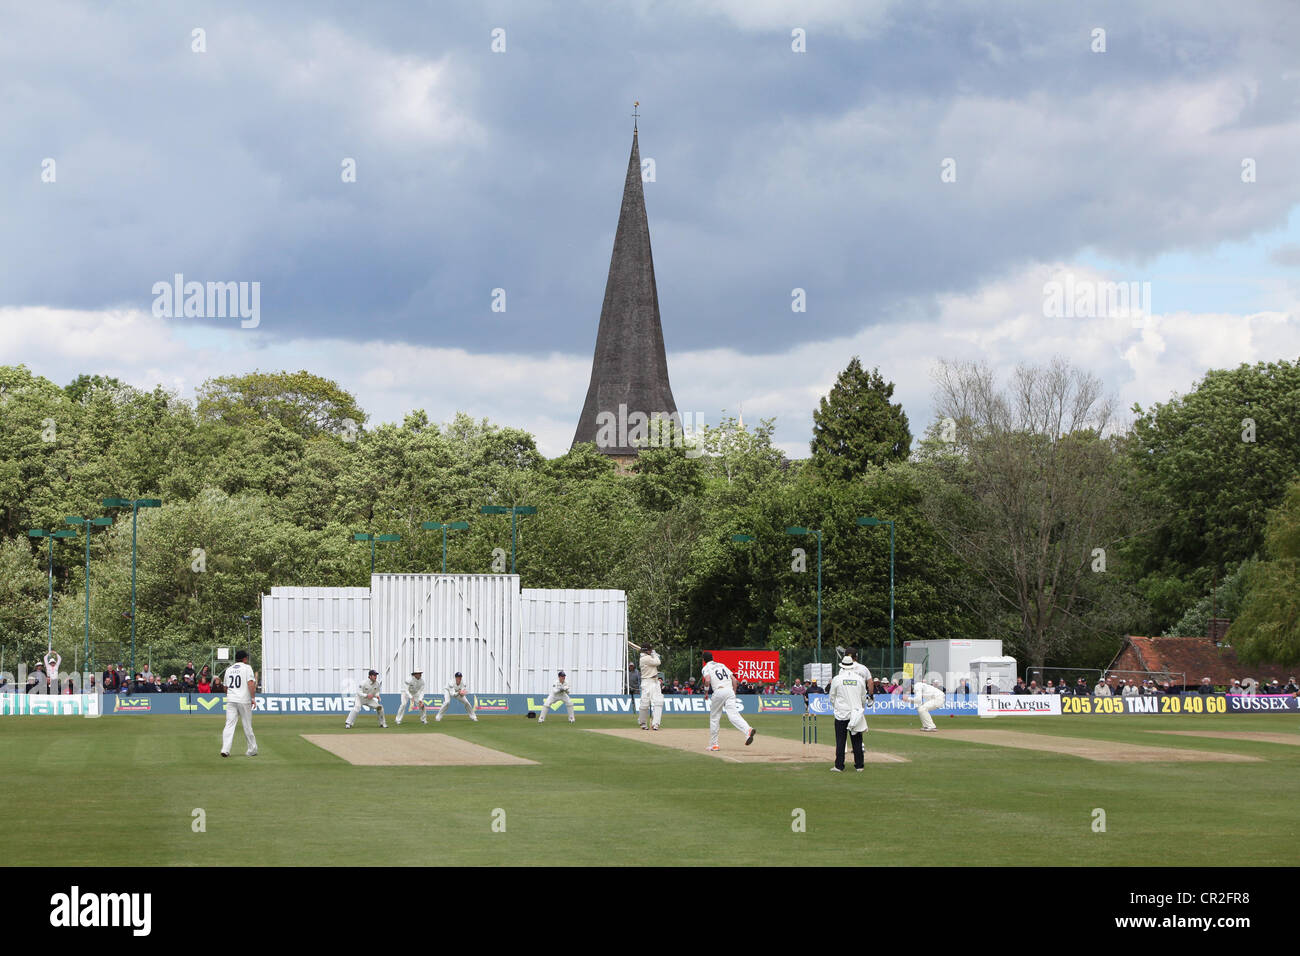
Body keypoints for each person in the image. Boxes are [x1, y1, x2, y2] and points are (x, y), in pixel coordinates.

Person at [701, 652, 755, 751]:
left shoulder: (706, 668)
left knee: (714, 718)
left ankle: (714, 745)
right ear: (713, 658)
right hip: (729, 691)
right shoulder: (722, 665)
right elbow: (734, 680)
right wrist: (733, 693)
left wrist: (706, 693)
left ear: (704, 660)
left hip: (719, 691)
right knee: (733, 715)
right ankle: (748, 730)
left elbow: (707, 680)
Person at [827, 655, 869, 772]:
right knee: (857, 741)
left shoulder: (837, 679)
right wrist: (860, 709)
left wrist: (837, 707)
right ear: (852, 666)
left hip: (841, 713)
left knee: (840, 740)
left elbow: (832, 697)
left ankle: (839, 766)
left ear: (842, 666)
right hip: (855, 713)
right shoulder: (859, 679)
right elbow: (863, 697)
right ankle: (859, 765)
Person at [219, 650, 258, 758]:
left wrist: (231, 695)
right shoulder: (247, 668)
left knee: (229, 725)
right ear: (245, 658)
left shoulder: (229, 669)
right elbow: (250, 683)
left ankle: (225, 749)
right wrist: (253, 698)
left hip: (231, 700)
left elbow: (225, 687)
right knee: (247, 725)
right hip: (243, 700)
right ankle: (252, 750)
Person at [628, 641, 663, 730]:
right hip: (647, 682)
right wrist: (654, 654)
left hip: (655, 682)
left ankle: (656, 724)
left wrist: (652, 654)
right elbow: (658, 662)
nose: (651, 650)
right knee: (645, 704)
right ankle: (642, 722)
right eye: (650, 649)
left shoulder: (647, 656)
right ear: (646, 651)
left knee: (658, 703)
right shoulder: (645, 659)